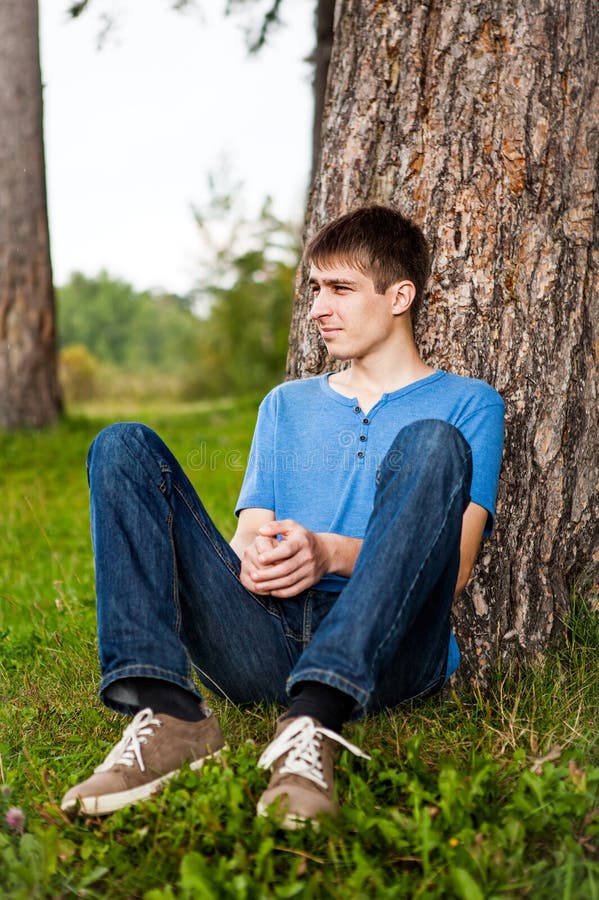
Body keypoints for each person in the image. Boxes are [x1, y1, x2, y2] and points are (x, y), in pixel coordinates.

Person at [61, 205, 504, 829]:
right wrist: (263, 554)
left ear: (400, 296)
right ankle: (167, 713)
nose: (319, 308)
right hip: (264, 639)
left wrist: (327, 552)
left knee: (432, 443)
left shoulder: (469, 405)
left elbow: (454, 569)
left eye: (341, 290)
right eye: (315, 289)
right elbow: (248, 534)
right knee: (122, 446)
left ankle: (315, 721)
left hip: (391, 650)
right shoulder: (285, 404)